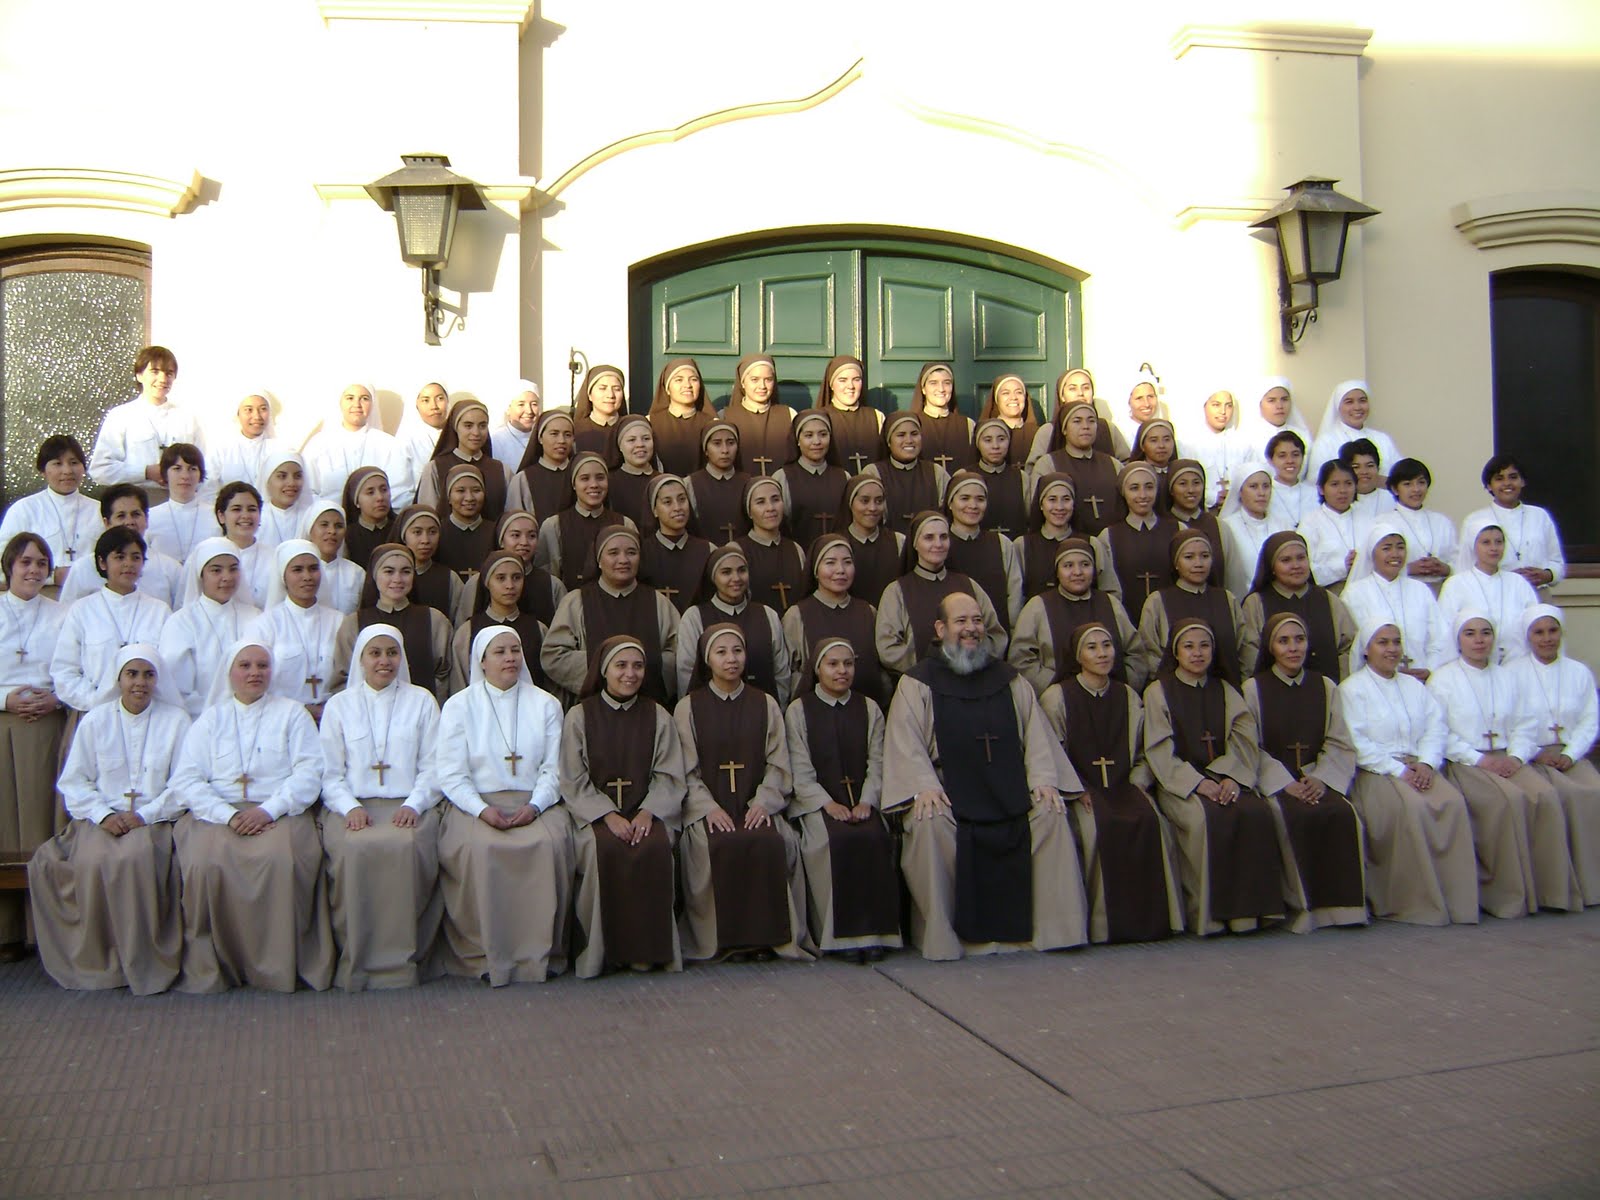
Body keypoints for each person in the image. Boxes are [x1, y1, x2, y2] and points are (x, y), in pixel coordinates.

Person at [883, 591, 1087, 960]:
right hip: (948, 790)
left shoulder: (1010, 680)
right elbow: (906, 743)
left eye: (976, 621)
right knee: (929, 820)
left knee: (1050, 811)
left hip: (1007, 788)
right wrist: (924, 786)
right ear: (941, 628)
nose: (971, 629)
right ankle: (945, 937)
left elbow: (1037, 737)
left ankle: (1054, 931)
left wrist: (1043, 779)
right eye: (961, 622)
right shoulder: (917, 683)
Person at [169, 638, 334, 992]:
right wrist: (226, 814)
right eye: (245, 665)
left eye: (262, 665)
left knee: (283, 858)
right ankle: (218, 966)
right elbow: (187, 778)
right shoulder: (211, 719)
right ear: (229, 672)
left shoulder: (292, 713)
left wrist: (268, 809)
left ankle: (278, 964)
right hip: (219, 814)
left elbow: (309, 772)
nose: (254, 673)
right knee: (204, 862)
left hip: (279, 810)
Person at [29, 645, 189, 992]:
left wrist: (144, 815)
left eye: (148, 674)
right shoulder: (95, 721)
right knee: (92, 860)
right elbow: (74, 781)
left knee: (136, 858)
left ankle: (142, 958)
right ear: (118, 678)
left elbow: (183, 784)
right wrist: (103, 815)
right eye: (132, 674)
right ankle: (102, 959)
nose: (140, 683)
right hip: (100, 818)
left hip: (154, 820)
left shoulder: (176, 721)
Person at [434, 627, 573, 985]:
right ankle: (484, 954)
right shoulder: (459, 705)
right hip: (476, 804)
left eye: (515, 650)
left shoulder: (545, 703)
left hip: (534, 800)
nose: (510, 658)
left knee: (550, 844)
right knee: (480, 848)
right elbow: (450, 773)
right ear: (481, 661)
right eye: (499, 652)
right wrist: (481, 810)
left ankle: (541, 953)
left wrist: (536, 806)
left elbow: (555, 769)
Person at [317, 623, 445, 990]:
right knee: (354, 851)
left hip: (410, 805)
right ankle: (359, 958)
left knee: (407, 847)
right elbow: (328, 773)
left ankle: (404, 962)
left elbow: (433, 766)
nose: (384, 661)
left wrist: (415, 804)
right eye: (375, 653)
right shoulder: (340, 706)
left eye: (392, 653)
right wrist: (349, 807)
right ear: (361, 659)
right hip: (354, 808)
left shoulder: (422, 701)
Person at [673, 623, 811, 963]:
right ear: (707, 660)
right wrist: (707, 808)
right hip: (710, 809)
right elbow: (685, 771)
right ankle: (722, 941)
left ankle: (768, 938)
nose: (731, 659)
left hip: (755, 806)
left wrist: (763, 802)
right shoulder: (687, 708)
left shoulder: (765, 704)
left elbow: (779, 764)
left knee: (770, 840)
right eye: (721, 652)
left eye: (737, 651)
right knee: (714, 843)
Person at [1428, 610, 1578, 915]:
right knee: (1506, 801)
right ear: (1458, 640)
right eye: (1470, 633)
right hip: (1468, 763)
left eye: (1485, 632)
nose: (1479, 640)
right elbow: (1441, 733)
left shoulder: (1505, 676)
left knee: (1545, 796)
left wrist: (1516, 756)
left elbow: (1526, 725)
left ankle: (1550, 892)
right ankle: (1505, 896)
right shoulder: (1443, 680)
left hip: (1508, 758)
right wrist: (1480, 759)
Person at [1142, 618, 1284, 935]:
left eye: (1204, 646)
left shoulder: (1226, 690)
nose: (1197, 653)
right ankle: (1208, 916)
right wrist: (1198, 783)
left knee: (1256, 813)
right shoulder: (1158, 692)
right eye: (1188, 647)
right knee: (1202, 820)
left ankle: (1250, 914)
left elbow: (1244, 739)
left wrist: (1232, 777)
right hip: (1181, 785)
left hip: (1227, 781)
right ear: (1175, 653)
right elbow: (1159, 748)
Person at [559, 635, 687, 977]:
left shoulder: (658, 715)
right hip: (596, 817)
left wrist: (649, 812)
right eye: (621, 665)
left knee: (654, 845)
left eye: (638, 666)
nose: (630, 674)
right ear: (603, 670)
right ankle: (603, 952)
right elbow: (573, 779)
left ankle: (648, 953)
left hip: (648, 813)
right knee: (604, 849)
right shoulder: (578, 717)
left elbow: (670, 775)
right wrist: (607, 815)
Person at [1338, 618, 1478, 925]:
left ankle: (1457, 900)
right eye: (1383, 642)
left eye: (1396, 642)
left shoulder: (1414, 686)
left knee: (1452, 803)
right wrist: (1398, 769)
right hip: (1377, 772)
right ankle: (1412, 901)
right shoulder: (1351, 690)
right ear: (1366, 650)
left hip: (1419, 766)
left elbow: (1435, 727)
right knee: (1411, 809)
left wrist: (1427, 763)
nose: (1392, 649)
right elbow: (1357, 742)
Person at [1243, 613, 1368, 932]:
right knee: (1292, 817)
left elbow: (1339, 741)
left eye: (1299, 640)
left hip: (1316, 777)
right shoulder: (1253, 690)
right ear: (1270, 647)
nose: (1293, 648)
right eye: (1283, 641)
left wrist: (1323, 778)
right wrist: (1284, 783)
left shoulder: (1326, 686)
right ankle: (1303, 910)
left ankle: (1344, 911)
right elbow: (1250, 747)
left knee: (1341, 814)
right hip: (1278, 781)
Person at [786, 637, 901, 960]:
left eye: (848, 664)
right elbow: (799, 766)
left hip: (862, 802)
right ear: (817, 669)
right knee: (829, 841)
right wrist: (827, 804)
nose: (842, 671)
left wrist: (868, 800)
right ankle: (839, 937)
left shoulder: (869, 708)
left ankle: (876, 932)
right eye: (833, 664)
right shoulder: (798, 710)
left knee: (873, 835)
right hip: (817, 803)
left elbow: (877, 761)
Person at [0, 533, 67, 959]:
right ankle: (6, 931)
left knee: (44, 826)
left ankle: (43, 932)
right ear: (9, 567)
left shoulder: (61, 614)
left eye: (41, 563)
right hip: (3, 726)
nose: (33, 570)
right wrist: (3, 698)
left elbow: (72, 666)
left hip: (47, 727)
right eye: (25, 562)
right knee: (5, 825)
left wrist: (56, 696)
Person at [1511, 604, 1600, 906]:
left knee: (1593, 793)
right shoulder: (1513, 673)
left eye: (1553, 631)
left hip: (1570, 755)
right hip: (1532, 757)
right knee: (1556, 798)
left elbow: (1590, 719)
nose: (1547, 638)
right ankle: (1560, 886)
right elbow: (1510, 722)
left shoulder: (1579, 672)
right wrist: (1535, 753)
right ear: (1528, 637)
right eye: (1539, 632)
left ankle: (1592, 885)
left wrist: (1572, 753)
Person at [541, 526, 679, 704]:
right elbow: (553, 655)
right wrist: (606, 668)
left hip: (649, 705)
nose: (623, 560)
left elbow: (678, 655)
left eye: (631, 552)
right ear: (598, 560)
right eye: (613, 553)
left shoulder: (658, 602)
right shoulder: (576, 601)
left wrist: (639, 671)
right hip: (591, 708)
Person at [51, 527, 172, 720]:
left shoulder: (160, 611)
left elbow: (168, 669)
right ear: (102, 562)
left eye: (136, 557)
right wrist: (97, 702)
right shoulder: (82, 610)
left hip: (148, 715)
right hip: (93, 715)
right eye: (119, 557)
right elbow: (64, 670)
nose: (128, 564)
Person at [876, 511, 1007, 677]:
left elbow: (996, 636)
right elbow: (887, 648)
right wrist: (935, 666)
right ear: (915, 543)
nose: (938, 544)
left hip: (972, 678)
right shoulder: (896, 591)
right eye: (929, 538)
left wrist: (969, 660)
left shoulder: (969, 585)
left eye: (943, 537)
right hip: (922, 682)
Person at [1008, 539, 1144, 695]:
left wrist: (1121, 687)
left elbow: (1136, 653)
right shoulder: (1038, 607)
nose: (1078, 572)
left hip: (1111, 696)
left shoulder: (1110, 604)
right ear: (1057, 572)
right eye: (1068, 566)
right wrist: (1052, 689)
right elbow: (1021, 658)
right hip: (1058, 702)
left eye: (1085, 564)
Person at [331, 544, 453, 702]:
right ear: (375, 575)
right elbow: (342, 678)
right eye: (389, 571)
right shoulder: (354, 623)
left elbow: (443, 675)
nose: (397, 579)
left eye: (406, 572)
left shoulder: (434, 620)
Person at [675, 544, 791, 704]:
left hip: (763, 710)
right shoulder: (694, 617)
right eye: (726, 572)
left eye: (742, 570)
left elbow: (781, 672)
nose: (736, 578)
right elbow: (686, 672)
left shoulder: (767, 614)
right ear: (713, 577)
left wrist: (778, 708)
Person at [157, 538, 262, 716]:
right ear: (201, 574)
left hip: (254, 715)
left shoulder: (255, 617)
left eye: (233, 569)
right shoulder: (181, 623)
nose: (227, 577)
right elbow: (178, 689)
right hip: (200, 719)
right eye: (216, 570)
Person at [1137, 529, 1251, 688]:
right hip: (1175, 695)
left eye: (1205, 556)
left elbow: (1244, 649)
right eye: (1189, 557)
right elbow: (1149, 653)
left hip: (1227, 692)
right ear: (1176, 563)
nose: (1198, 563)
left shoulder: (1227, 599)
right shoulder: (1158, 601)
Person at [782, 532, 886, 704]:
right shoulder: (797, 614)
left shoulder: (868, 612)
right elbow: (790, 672)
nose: (840, 570)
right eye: (830, 563)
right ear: (815, 570)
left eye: (847, 562)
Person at [1341, 518, 1451, 679]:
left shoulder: (1420, 590)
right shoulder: (1355, 593)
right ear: (1372, 554)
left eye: (1400, 548)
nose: (1395, 554)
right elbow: (1354, 647)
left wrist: (1429, 669)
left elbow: (1439, 639)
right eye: (1387, 548)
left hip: (1421, 680)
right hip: (1375, 681)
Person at [1239, 532, 1357, 681]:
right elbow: (1250, 655)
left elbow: (1349, 647)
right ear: (1272, 567)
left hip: (1325, 692)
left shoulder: (1328, 599)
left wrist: (1338, 683)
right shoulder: (1256, 603)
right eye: (1286, 560)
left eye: (1301, 558)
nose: (1296, 566)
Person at [89, 346, 203, 498]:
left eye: (169, 373)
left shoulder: (187, 418)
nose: (162, 379)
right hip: (134, 501)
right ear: (139, 375)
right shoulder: (120, 416)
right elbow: (100, 470)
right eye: (155, 371)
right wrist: (145, 472)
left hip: (180, 501)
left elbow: (203, 467)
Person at [251, 539, 344, 720]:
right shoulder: (264, 625)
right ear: (283, 576)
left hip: (333, 717)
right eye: (297, 570)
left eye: (313, 568)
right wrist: (300, 711)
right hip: (281, 718)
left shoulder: (339, 621)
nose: (307, 576)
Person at [58, 483, 184, 610]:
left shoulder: (170, 569)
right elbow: (67, 615)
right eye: (121, 516)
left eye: (136, 514)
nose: (129, 522)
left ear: (146, 519)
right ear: (107, 523)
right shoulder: (83, 568)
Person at [0, 435, 100, 588]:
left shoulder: (99, 510)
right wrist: (52, 576)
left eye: (74, 463)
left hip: (91, 597)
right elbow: (3, 566)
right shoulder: (24, 510)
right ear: (43, 471)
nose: (67, 471)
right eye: (57, 464)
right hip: (39, 595)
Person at [1438, 517, 1539, 664]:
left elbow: (1533, 624)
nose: (1494, 548)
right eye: (1486, 542)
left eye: (1499, 542)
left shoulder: (1519, 583)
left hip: (1517, 663)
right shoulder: (1455, 584)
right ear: (1473, 546)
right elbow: (1445, 629)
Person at [448, 548, 549, 693]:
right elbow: (459, 685)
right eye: (501, 578)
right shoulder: (468, 631)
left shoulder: (539, 629)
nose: (510, 585)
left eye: (516, 577)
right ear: (487, 582)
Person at [533, 451, 634, 592]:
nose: (594, 484)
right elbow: (548, 582)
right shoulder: (553, 526)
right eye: (585, 478)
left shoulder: (625, 524)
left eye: (600, 478)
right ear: (573, 484)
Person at [1461, 454, 1564, 591]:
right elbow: (1464, 567)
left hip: (1537, 594)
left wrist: (1547, 575)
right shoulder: (1475, 520)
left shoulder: (1539, 516)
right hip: (1494, 594)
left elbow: (1557, 562)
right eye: (1499, 479)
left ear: (1523, 481)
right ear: (1489, 486)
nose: (1507, 483)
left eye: (1513, 477)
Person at [301, 382, 412, 506]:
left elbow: (400, 493)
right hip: (330, 521)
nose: (357, 404)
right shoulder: (318, 444)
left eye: (364, 398)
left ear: (373, 403)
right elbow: (307, 492)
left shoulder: (389, 445)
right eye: (350, 398)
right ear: (340, 403)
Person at [1093, 462, 1181, 616]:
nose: (1143, 495)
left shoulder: (1178, 530)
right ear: (1123, 492)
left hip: (1172, 616)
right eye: (1134, 488)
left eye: (1149, 487)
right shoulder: (1107, 536)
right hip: (1126, 617)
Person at [944, 471, 1023, 634]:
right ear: (950, 503)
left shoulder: (1002, 544)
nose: (973, 505)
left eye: (980, 499)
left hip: (995, 639)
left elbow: (1014, 596)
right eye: (964, 498)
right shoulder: (940, 544)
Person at [1029, 401, 1121, 537]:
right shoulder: (1048, 464)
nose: (1085, 427)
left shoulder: (1114, 464)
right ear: (1064, 429)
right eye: (1077, 421)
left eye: (1091, 421)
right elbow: (1038, 508)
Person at [417, 398, 514, 524]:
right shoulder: (435, 468)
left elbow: (511, 519)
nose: (476, 432)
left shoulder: (501, 470)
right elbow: (427, 518)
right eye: (468, 426)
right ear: (456, 427)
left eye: (482, 426)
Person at [865, 412, 949, 537]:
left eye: (914, 434)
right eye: (901, 435)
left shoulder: (937, 472)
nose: (909, 440)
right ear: (889, 441)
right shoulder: (873, 472)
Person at [638, 474, 710, 615]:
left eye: (682, 499)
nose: (677, 507)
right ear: (654, 510)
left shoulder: (708, 550)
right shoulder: (641, 552)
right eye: (667, 502)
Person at [774, 409, 847, 546]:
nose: (817, 441)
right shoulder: (783, 477)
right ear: (797, 440)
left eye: (823, 435)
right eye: (808, 435)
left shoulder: (844, 477)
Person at [734, 477, 807, 616]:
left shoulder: (796, 549)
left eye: (776, 499)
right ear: (749, 511)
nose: (770, 508)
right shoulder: (737, 549)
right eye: (760, 502)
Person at [1308, 380, 1401, 481]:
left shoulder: (1382, 439)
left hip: (1382, 496)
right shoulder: (1325, 442)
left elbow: (1400, 476)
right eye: (1349, 402)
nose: (1357, 407)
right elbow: (1316, 481)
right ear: (1338, 406)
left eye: (1362, 401)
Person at [1299, 459, 1370, 591]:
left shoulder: (1367, 518)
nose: (1342, 490)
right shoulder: (1310, 523)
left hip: (1367, 590)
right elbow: (1306, 569)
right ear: (1321, 488)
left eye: (1348, 483)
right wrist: (1343, 566)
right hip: (1329, 592)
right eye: (1335, 484)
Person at [721, 352, 795, 476]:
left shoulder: (790, 415)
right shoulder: (724, 417)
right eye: (754, 380)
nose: (762, 386)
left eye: (768, 380)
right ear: (743, 383)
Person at [1386, 458, 1456, 590]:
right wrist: (1407, 569)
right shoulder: (1384, 523)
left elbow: (1458, 560)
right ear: (1395, 489)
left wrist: (1445, 568)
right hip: (1401, 589)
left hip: (1441, 590)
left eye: (1421, 483)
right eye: (1407, 484)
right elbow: (1376, 566)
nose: (1416, 489)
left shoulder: (1442, 521)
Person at [1027, 368, 1124, 463]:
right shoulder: (1047, 431)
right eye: (1073, 388)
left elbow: (1126, 466)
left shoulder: (1109, 429)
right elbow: (1035, 471)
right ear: (1062, 396)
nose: (1080, 393)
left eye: (1086, 388)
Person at [1218, 468, 1286, 601]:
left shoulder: (1283, 525)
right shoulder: (1227, 527)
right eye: (1254, 487)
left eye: (1266, 486)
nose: (1261, 493)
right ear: (1240, 492)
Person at [838, 474, 902, 606]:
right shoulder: (837, 544)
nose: (872, 508)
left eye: (879, 501)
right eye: (865, 501)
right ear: (850, 503)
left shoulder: (899, 541)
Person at [813, 354, 883, 476]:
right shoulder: (820, 417)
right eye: (842, 380)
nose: (850, 386)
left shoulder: (877, 417)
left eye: (856, 379)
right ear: (831, 384)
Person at [390, 504, 463, 619]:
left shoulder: (450, 579)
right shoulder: (388, 577)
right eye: (417, 532)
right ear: (404, 536)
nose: (425, 540)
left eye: (432, 532)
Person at [207, 482, 273, 607]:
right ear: (221, 516)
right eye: (236, 509)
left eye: (252, 509)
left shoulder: (273, 557)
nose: (245, 516)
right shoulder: (207, 555)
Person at [685, 419, 751, 544]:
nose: (725, 450)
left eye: (730, 443)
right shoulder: (689, 484)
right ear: (705, 449)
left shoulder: (749, 483)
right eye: (717, 443)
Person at [649, 357, 716, 478]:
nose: (687, 385)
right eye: (679, 380)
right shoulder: (650, 423)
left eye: (693, 380)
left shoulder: (712, 424)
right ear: (667, 388)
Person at [1163, 460, 1227, 588]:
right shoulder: (1162, 526)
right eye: (1182, 484)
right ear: (1171, 489)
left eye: (1196, 483)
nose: (1191, 490)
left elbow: (1231, 574)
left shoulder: (1218, 525)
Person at [1181, 390, 1248, 511]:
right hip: (1202, 509)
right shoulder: (1188, 442)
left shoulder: (1242, 442)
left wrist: (1233, 496)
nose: (1223, 411)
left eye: (1228, 405)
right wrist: (1213, 497)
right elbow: (1184, 480)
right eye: (1216, 405)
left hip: (1238, 509)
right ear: (1204, 406)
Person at [206, 392, 286, 493]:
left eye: (263, 409)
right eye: (249, 410)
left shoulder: (280, 450)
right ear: (238, 414)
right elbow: (208, 490)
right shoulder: (221, 449)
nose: (257, 416)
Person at [1015, 473, 1078, 599]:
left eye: (1066, 499)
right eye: (1052, 500)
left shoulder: (1091, 543)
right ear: (1041, 505)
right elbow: (1016, 594)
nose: (1059, 507)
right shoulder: (1022, 545)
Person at [145, 444, 209, 565]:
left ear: (200, 474)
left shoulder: (215, 515)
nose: (185, 476)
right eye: (177, 468)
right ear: (165, 474)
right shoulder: (150, 517)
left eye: (192, 469)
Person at [1237, 376, 1314, 478]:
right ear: (1260, 404)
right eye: (1272, 400)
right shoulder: (1246, 437)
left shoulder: (1303, 436)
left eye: (1284, 399)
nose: (1279, 406)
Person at [507, 408, 576, 519]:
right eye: (554, 434)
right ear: (540, 438)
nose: (561, 440)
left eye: (567, 435)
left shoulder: (581, 474)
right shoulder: (523, 479)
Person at [432, 462, 497, 577]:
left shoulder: (496, 531)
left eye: (476, 490)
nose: (469, 498)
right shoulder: (436, 532)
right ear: (448, 496)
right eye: (460, 491)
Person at [301, 501, 364, 614]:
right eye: (324, 525)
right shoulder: (298, 571)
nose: (332, 531)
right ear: (310, 530)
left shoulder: (356, 573)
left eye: (339, 526)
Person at [972, 417, 1029, 537]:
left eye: (1001, 439)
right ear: (978, 444)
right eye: (988, 440)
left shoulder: (1021, 477)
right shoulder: (965, 475)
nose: (995, 446)